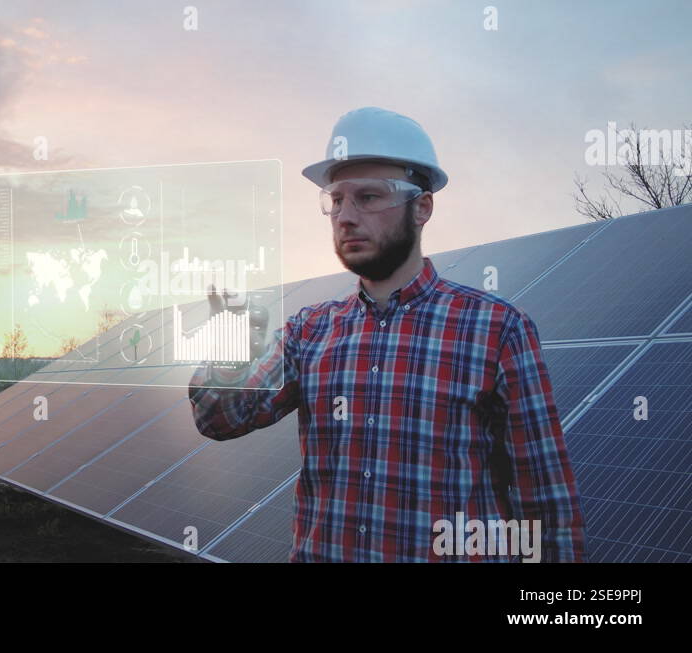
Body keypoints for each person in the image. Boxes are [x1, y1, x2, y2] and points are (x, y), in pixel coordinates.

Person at [188, 107, 587, 562]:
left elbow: (546, 499)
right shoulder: (309, 330)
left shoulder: (496, 329)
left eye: (369, 198)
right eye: (336, 200)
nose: (345, 217)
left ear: (422, 207)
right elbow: (221, 420)